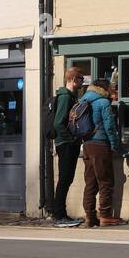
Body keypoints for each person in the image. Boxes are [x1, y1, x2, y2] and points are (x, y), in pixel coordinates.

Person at [79, 77, 123, 228]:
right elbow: (109, 126)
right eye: (110, 88)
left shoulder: (83, 100)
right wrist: (115, 145)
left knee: (90, 182)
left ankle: (90, 217)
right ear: (104, 89)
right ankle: (105, 216)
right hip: (100, 145)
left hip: (87, 144)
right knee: (105, 181)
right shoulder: (103, 102)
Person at [51, 66, 86, 227]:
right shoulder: (65, 97)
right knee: (64, 179)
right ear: (72, 79)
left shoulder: (70, 96)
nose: (82, 82)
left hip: (67, 143)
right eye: (80, 79)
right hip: (65, 144)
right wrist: (71, 139)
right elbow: (58, 123)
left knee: (67, 179)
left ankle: (61, 214)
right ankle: (58, 215)